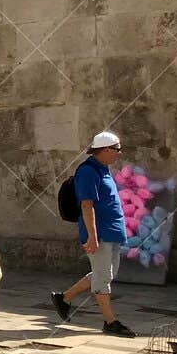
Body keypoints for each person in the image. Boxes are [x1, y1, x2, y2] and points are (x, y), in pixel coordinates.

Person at [52, 130, 136, 338]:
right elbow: (86, 205)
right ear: (105, 150)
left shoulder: (103, 169)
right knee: (103, 277)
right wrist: (92, 236)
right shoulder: (88, 172)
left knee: (106, 273)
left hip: (112, 232)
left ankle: (64, 298)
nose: (119, 153)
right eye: (116, 149)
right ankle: (110, 322)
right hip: (101, 233)